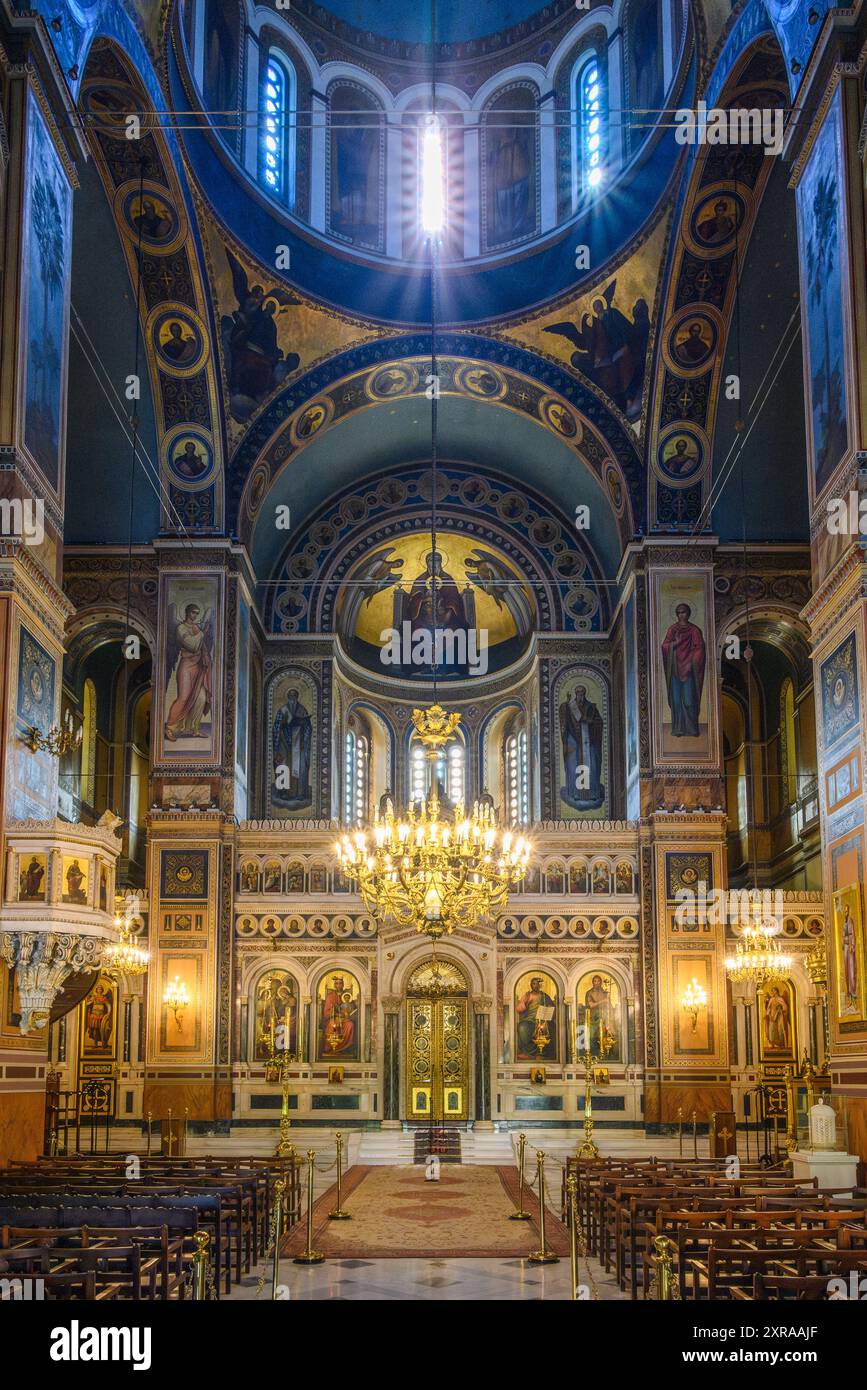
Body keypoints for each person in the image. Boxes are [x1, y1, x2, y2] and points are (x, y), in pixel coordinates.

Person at [164, 604, 212, 742]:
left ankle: (194, 728)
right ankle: (170, 728)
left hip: (198, 667)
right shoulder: (181, 628)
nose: (195, 615)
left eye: (197, 613)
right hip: (186, 666)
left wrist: (207, 659)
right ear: (186, 612)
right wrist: (201, 633)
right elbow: (192, 645)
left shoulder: (196, 628)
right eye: (192, 612)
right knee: (183, 697)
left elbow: (203, 648)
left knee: (201, 698)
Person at [661, 603, 706, 738]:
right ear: (676, 614)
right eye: (679, 612)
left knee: (688, 700)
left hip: (689, 670)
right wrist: (676, 643)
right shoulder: (673, 630)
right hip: (675, 670)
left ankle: (692, 728)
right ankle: (678, 729)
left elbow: (700, 649)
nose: (682, 615)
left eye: (684, 612)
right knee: (675, 700)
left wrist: (691, 664)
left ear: (688, 613)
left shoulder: (694, 630)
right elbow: (664, 646)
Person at [559, 684, 604, 810]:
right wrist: (566, 703)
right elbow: (564, 720)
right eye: (578, 693)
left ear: (584, 694)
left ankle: (593, 794)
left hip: (589, 742)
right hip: (575, 741)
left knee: (592, 765)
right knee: (574, 766)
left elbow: (599, 722)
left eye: (582, 694)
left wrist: (591, 723)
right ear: (576, 694)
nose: (580, 696)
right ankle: (575, 794)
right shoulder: (570, 706)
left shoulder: (591, 707)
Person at [272, 689, 312, 807]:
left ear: (297, 697)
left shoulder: (302, 710)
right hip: (283, 741)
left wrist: (303, 724)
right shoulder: (283, 710)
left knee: (299, 767)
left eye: (294, 696)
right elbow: (276, 727)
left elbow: (308, 727)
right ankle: (283, 792)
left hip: (298, 742)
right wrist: (283, 725)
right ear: (288, 697)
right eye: (290, 696)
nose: (292, 699)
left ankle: (298, 793)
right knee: (283, 765)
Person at [516, 976, 555, 1059]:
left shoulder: (544, 996)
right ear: (531, 985)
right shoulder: (527, 995)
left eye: (537, 984)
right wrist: (525, 1001)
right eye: (533, 984)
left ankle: (543, 1053)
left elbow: (552, 1008)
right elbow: (519, 1009)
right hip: (529, 1020)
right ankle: (528, 1052)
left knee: (550, 1028)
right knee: (522, 1027)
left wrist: (548, 1009)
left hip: (542, 1020)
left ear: (540, 985)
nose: (535, 985)